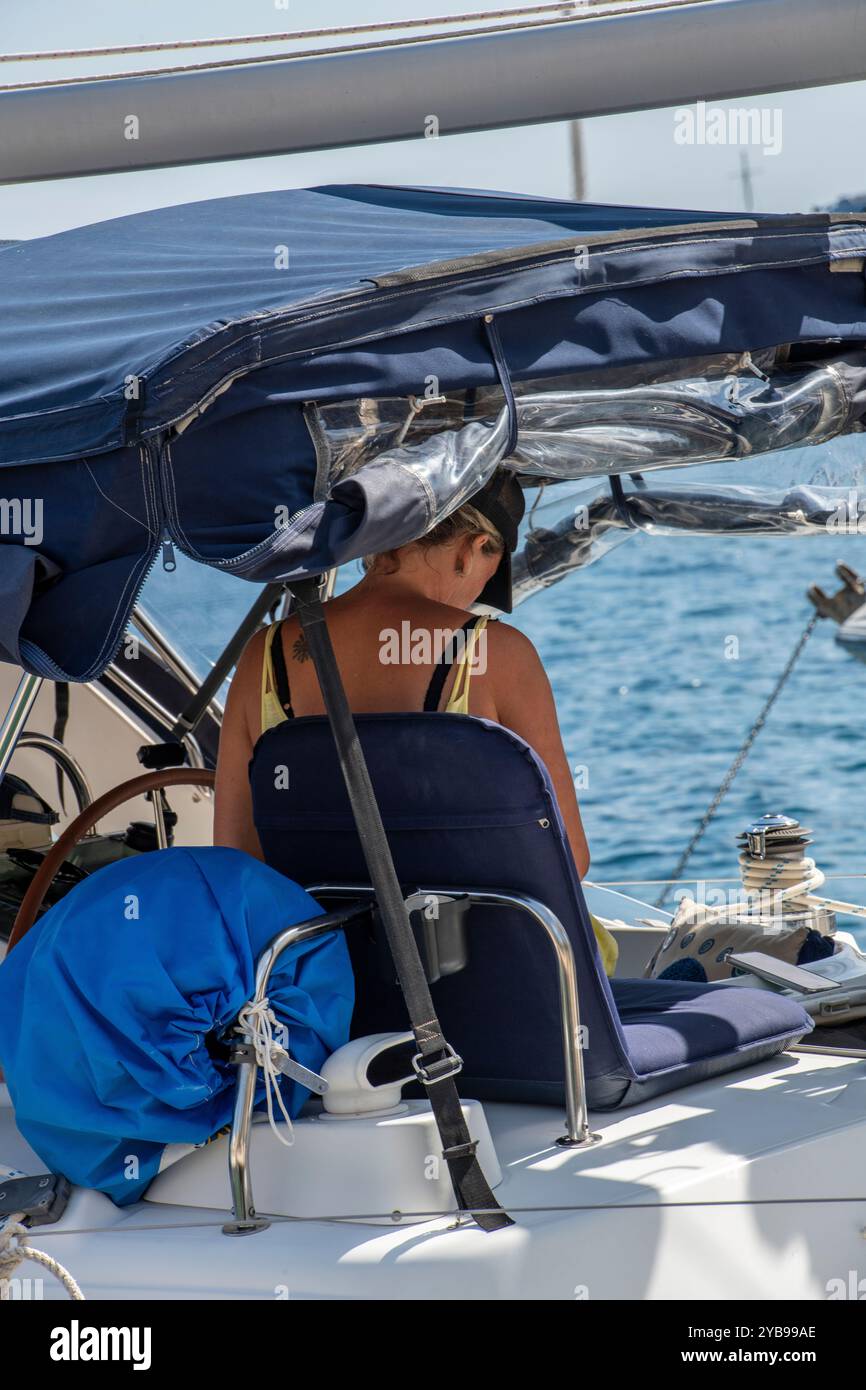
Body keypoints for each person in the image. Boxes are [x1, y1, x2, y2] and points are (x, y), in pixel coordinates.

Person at [214, 471, 616, 972]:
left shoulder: (263, 657)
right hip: (480, 983)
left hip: (324, 991)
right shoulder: (497, 654)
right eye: (492, 566)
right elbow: (566, 860)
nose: (479, 593)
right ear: (474, 548)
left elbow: (238, 860)